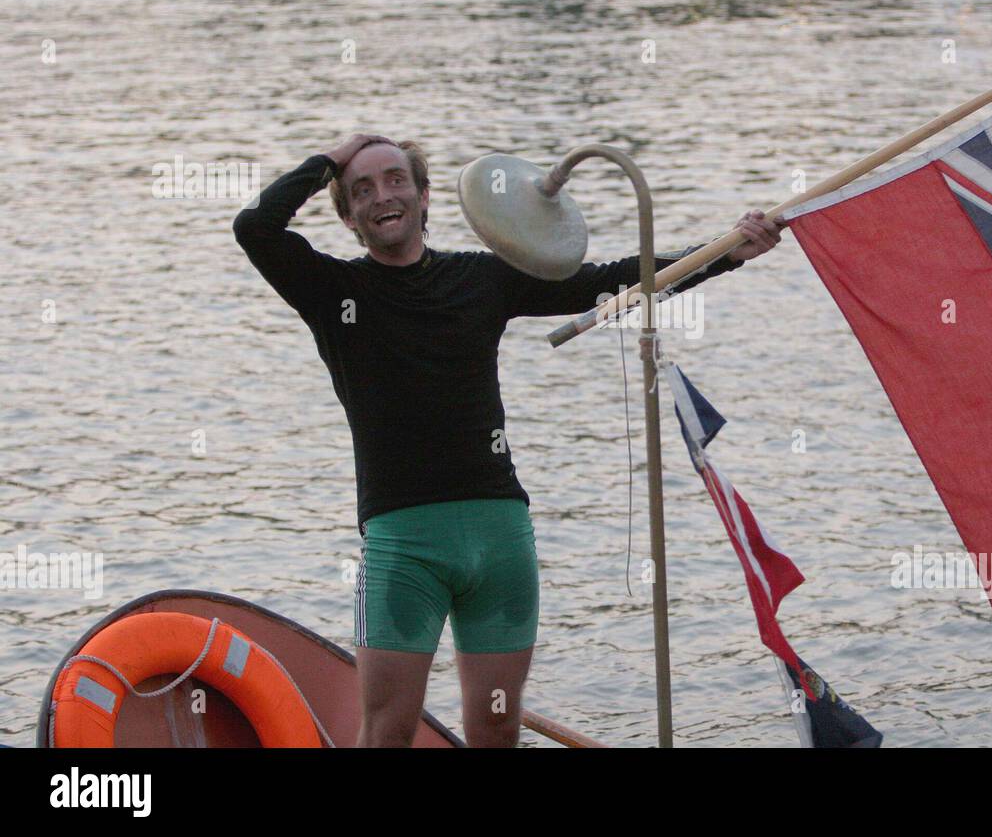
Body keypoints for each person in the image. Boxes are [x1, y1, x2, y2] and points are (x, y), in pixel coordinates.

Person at [233, 133, 785, 747]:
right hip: (402, 546)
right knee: (387, 727)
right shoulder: (332, 292)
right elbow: (255, 226)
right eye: (361, 189)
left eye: (395, 180)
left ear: (422, 196)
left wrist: (727, 252)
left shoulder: (483, 279)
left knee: (496, 725)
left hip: (499, 540)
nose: (382, 197)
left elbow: (612, 282)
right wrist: (330, 159)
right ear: (346, 215)